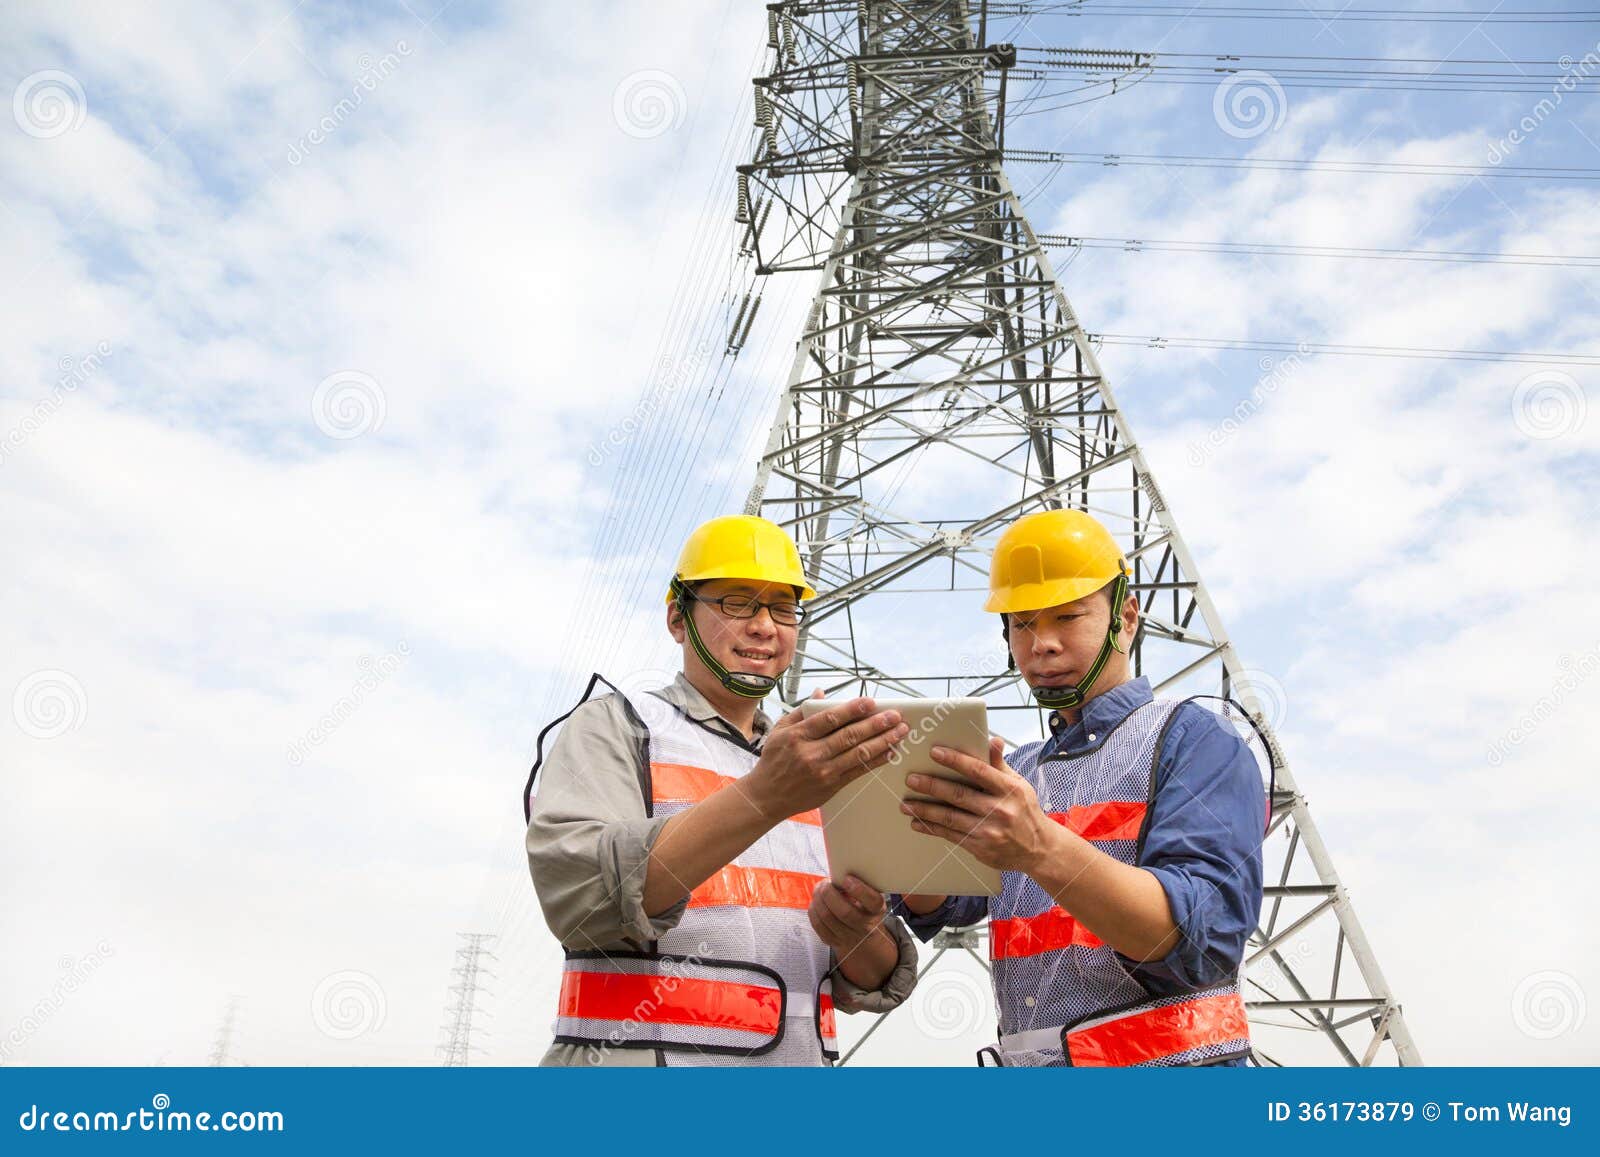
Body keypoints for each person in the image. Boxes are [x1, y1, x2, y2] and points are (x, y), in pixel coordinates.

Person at [525, 514, 920, 1065]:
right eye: (737, 603)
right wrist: (765, 796)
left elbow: (869, 977)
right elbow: (586, 902)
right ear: (677, 619)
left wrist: (860, 931)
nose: (765, 627)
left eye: (783, 609)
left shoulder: (819, 761)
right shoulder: (618, 727)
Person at [894, 508, 1266, 1066]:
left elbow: (1199, 941)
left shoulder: (1194, 739)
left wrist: (1038, 845)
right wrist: (894, 808)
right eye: (1022, 624)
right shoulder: (1016, 769)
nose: (1041, 644)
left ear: (1127, 617)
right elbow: (945, 899)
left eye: (1066, 617)